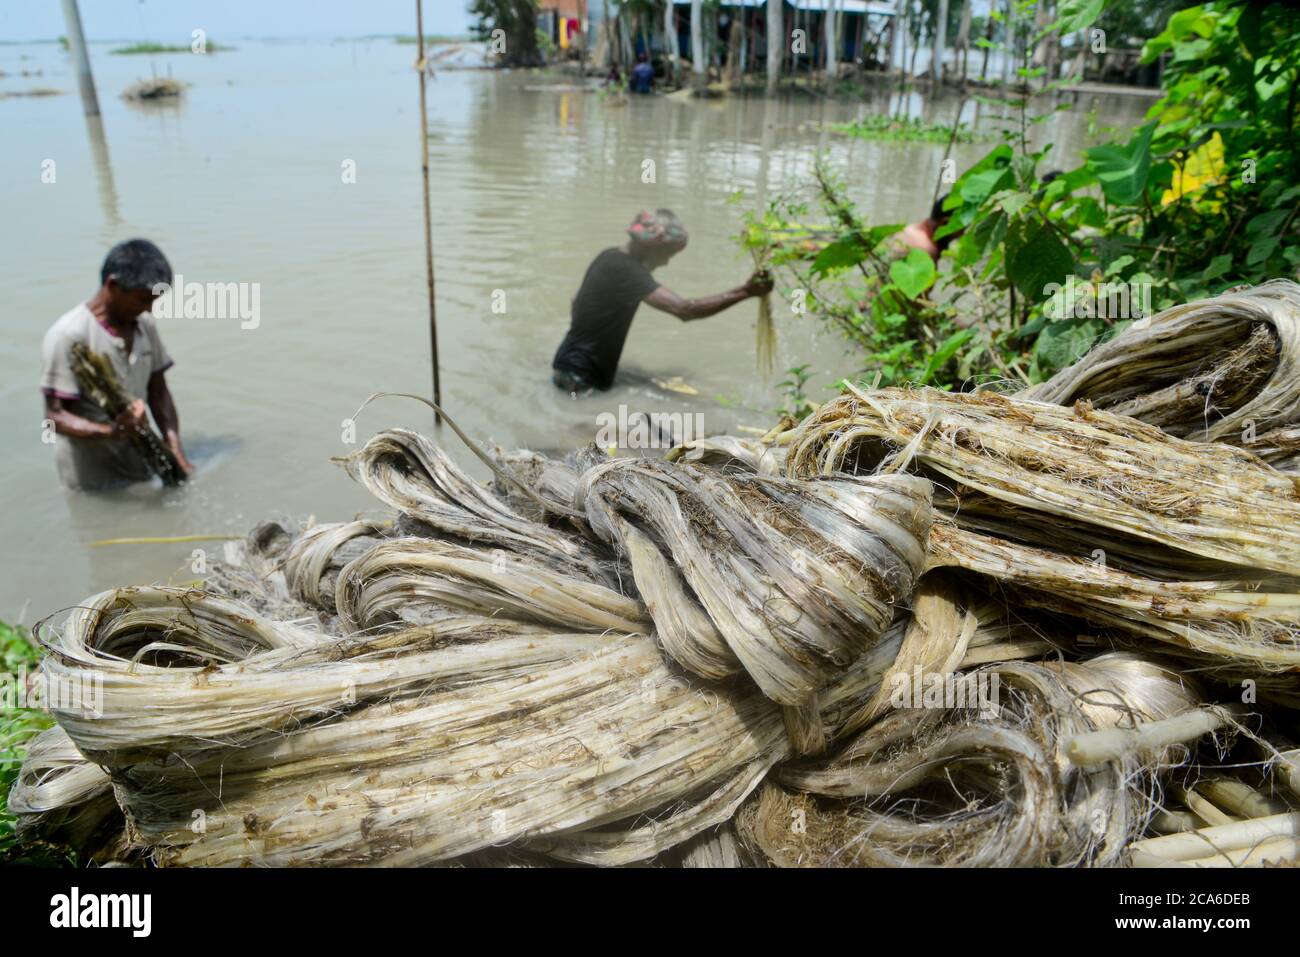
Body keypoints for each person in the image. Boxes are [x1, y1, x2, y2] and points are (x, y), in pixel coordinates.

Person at [551, 209, 773, 395]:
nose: (666, 262)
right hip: (580, 380)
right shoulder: (627, 270)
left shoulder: (609, 255)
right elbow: (685, 309)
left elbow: (575, 300)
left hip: (568, 367)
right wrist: (746, 291)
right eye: (668, 254)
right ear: (652, 246)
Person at [40, 239, 193, 491]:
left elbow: (159, 390)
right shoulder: (68, 336)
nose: (149, 309)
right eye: (143, 299)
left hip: (137, 460)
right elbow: (54, 417)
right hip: (91, 476)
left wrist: (174, 447)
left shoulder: (145, 326)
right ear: (113, 286)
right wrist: (111, 431)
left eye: (154, 300)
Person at [897, 193, 956, 264]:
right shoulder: (926, 250)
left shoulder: (909, 229)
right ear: (945, 223)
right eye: (962, 229)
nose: (963, 234)